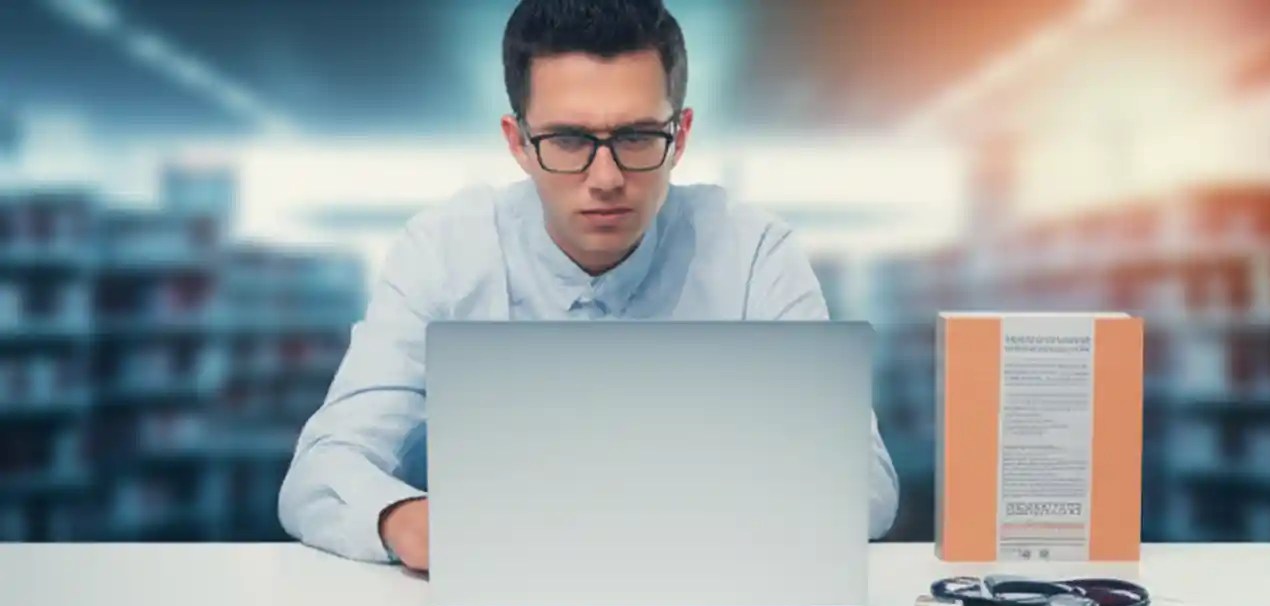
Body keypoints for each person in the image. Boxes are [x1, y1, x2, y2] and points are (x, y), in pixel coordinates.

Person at [278, 0, 899, 570]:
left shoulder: (755, 252)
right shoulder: (444, 251)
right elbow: (319, 473)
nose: (605, 178)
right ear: (518, 143)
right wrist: (403, 521)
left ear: (679, 138)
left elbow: (864, 486)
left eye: (635, 138)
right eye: (569, 139)